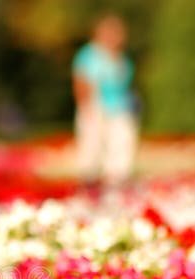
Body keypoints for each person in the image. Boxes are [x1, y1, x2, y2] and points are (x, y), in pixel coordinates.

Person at [72, 14, 137, 186]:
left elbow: (124, 85)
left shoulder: (122, 58)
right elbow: (81, 81)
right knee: (92, 141)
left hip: (119, 107)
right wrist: (85, 106)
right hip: (95, 103)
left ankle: (117, 177)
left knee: (122, 140)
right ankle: (89, 176)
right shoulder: (89, 54)